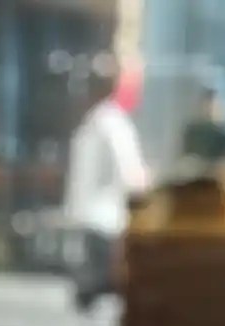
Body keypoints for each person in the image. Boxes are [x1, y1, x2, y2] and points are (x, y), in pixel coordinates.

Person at [63, 63, 148, 311]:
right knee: (100, 282)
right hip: (102, 216)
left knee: (97, 282)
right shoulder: (109, 121)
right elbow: (129, 171)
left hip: (99, 215)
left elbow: (125, 169)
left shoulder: (103, 120)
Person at [181, 88, 225, 167]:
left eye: (214, 105)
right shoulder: (193, 130)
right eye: (208, 104)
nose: (211, 108)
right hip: (195, 169)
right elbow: (187, 154)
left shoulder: (224, 133)